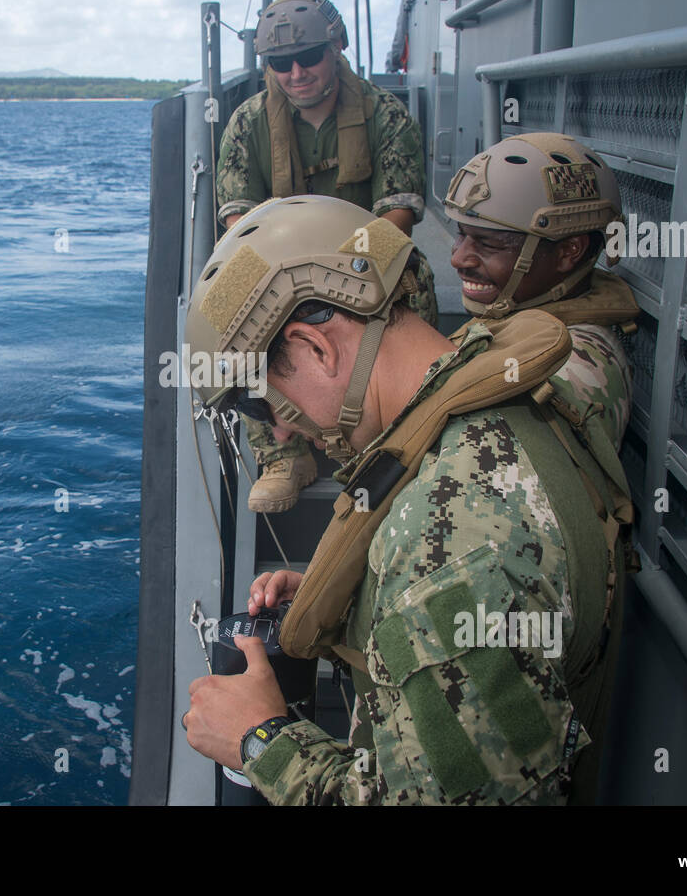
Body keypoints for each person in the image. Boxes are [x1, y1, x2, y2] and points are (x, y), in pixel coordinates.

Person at [181, 195, 631, 805]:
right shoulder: (499, 384)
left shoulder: (445, 547)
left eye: (261, 402)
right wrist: (372, 592)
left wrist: (259, 741)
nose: (280, 430)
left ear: (317, 347)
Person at [216, 0, 435, 515]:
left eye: (308, 57)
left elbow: (397, 216)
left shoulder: (386, 115)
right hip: (281, 262)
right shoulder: (248, 124)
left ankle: (397, 434)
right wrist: (289, 281)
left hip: (360, 257)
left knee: (413, 273)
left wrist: (342, 278)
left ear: (337, 47)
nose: (295, 73)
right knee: (230, 304)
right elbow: (239, 224)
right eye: (280, 64)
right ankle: (282, 451)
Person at [443, 132, 640, 451]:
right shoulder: (524, 317)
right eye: (461, 235)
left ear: (568, 251)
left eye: (488, 243)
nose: (458, 258)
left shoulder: (564, 370)